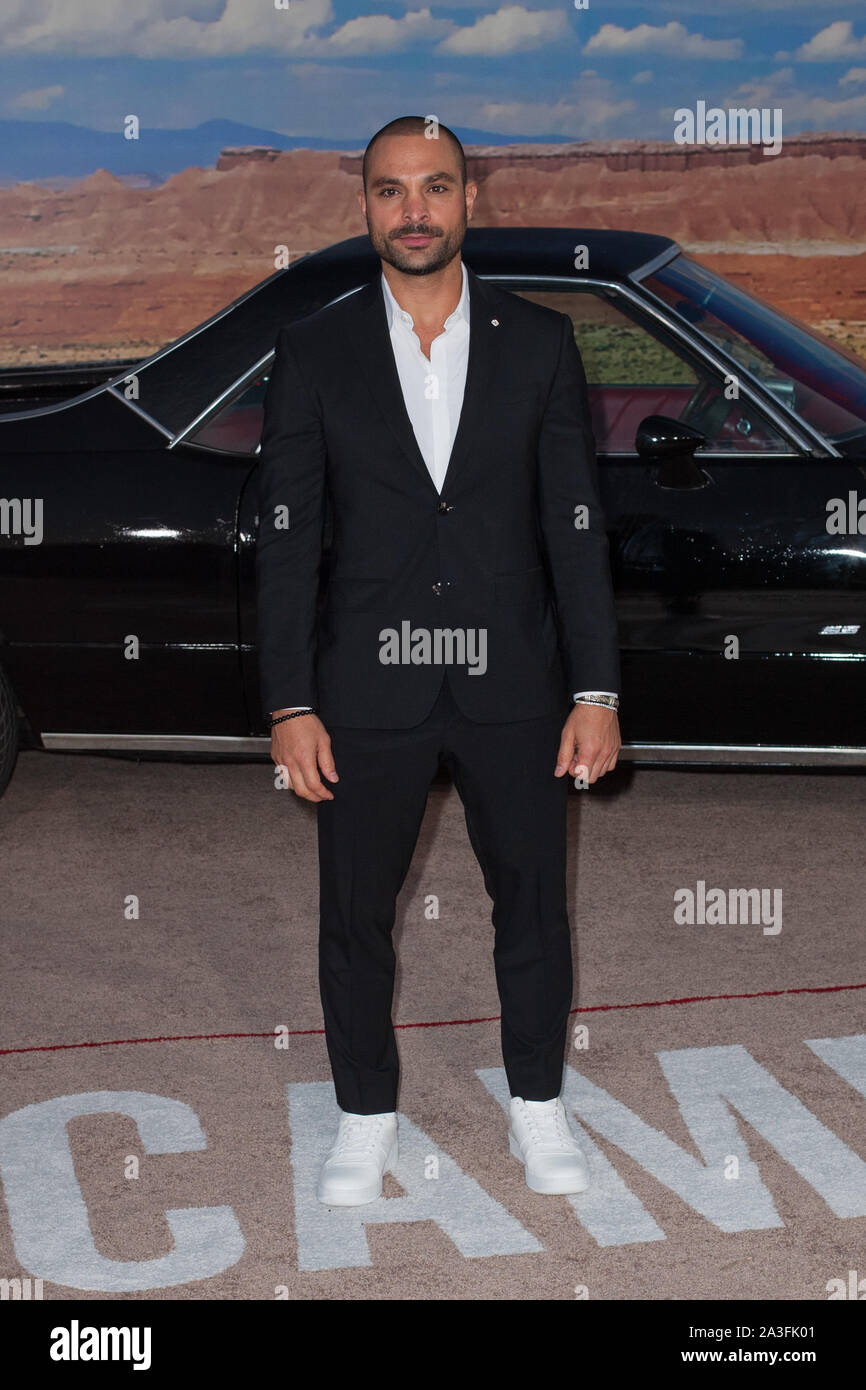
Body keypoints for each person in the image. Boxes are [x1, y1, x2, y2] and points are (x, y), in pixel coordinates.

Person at [256, 115, 621, 1206]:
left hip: (514, 678)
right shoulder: (314, 349)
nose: (412, 210)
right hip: (364, 685)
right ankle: (363, 1114)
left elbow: (574, 529)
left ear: (469, 199)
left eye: (433, 188)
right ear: (363, 205)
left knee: (533, 905)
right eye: (388, 191)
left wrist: (594, 688)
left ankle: (537, 1103)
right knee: (354, 912)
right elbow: (287, 539)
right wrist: (289, 701)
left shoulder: (540, 341)